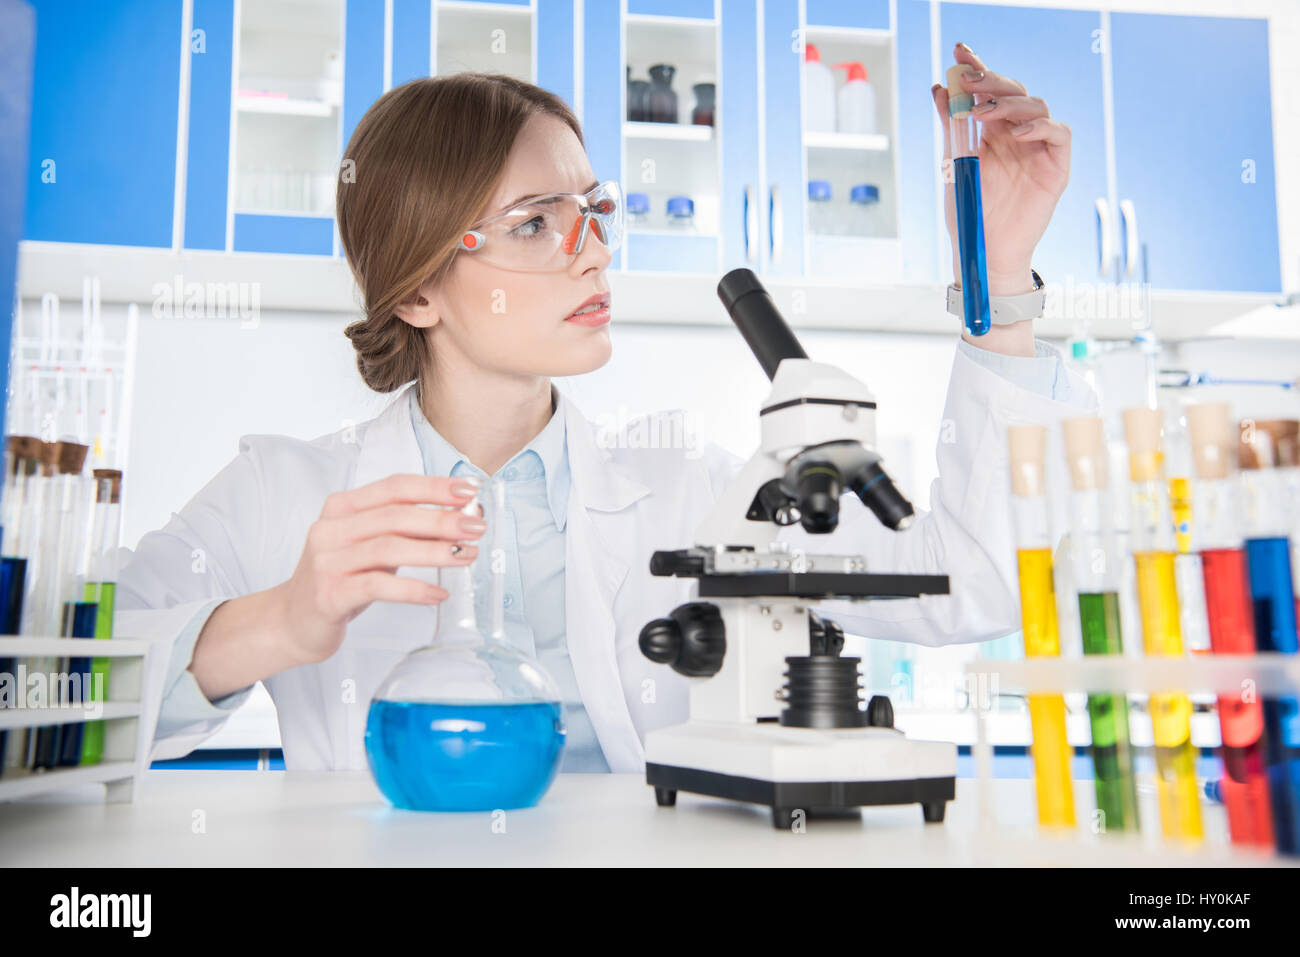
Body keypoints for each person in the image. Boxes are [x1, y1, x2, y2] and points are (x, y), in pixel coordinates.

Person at [121, 44, 1095, 773]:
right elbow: (65, 692)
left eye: (594, 209)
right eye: (535, 223)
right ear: (416, 291)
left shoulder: (692, 494)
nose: (592, 249)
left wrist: (999, 279)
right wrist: (284, 619)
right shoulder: (283, 493)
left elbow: (970, 582)